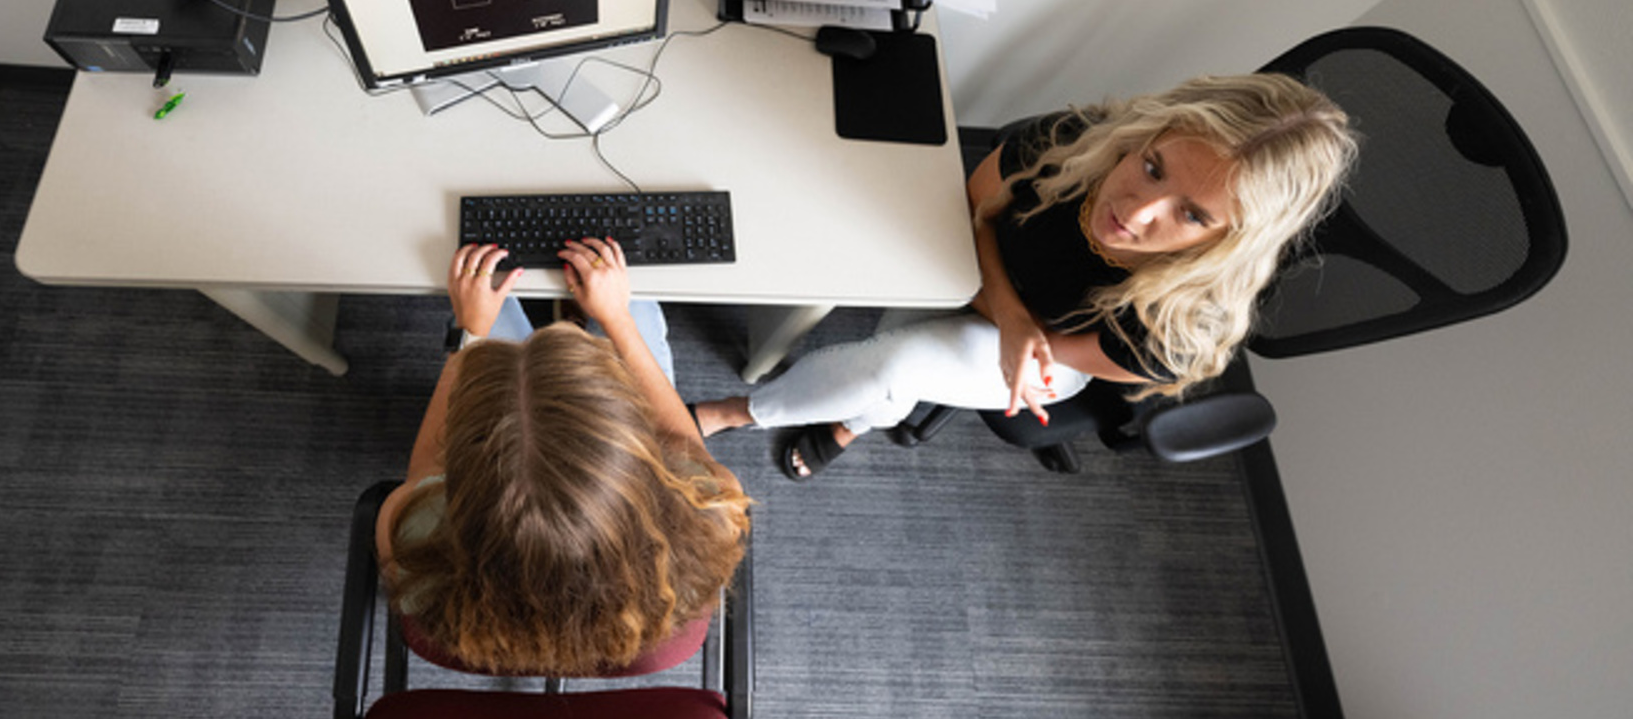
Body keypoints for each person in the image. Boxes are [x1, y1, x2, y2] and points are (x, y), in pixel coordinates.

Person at [691, 73, 1358, 480]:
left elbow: (1042, 353)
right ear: (1141, 136)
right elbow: (974, 208)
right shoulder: (1075, 137)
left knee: (889, 369)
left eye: (1190, 213)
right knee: (887, 366)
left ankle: (735, 412)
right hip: (979, 276)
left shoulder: (1181, 325)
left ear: (1228, 238)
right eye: (1152, 167)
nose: (1137, 211)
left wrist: (1003, 317)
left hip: (1046, 351)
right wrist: (1007, 311)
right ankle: (854, 424)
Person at [376, 236, 751, 676]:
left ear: (465, 457)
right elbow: (683, 443)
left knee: (491, 302)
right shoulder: (709, 512)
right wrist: (617, 319)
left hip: (493, 638)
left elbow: (422, 472)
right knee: (640, 306)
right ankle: (589, 314)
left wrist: (469, 333)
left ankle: (526, 316)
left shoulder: (412, 536)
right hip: (631, 634)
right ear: (633, 447)